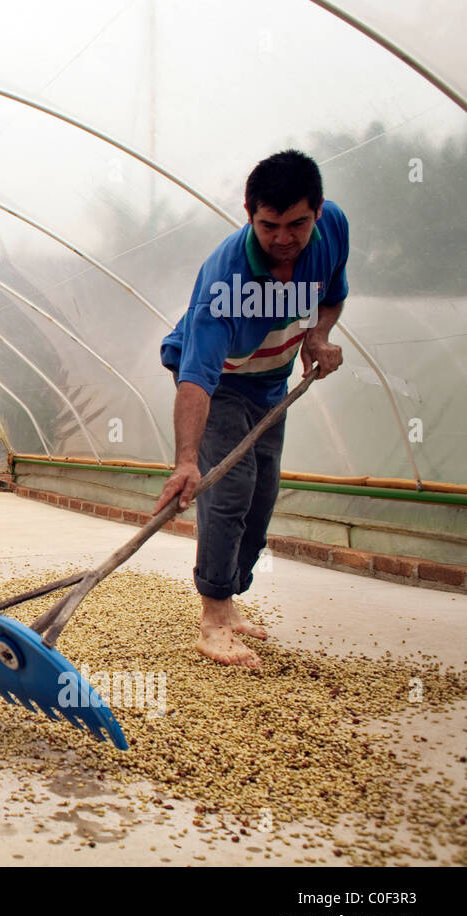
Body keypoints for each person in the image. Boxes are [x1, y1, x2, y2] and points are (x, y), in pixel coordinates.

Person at [154, 150, 347, 669]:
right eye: (269, 226)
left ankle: (230, 599)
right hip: (219, 384)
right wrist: (187, 461)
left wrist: (319, 335)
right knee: (230, 488)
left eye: (296, 224)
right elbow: (197, 377)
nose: (284, 238)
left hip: (269, 381)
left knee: (263, 494)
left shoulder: (334, 231)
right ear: (248, 213)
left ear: (319, 211)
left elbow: (333, 294)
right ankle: (213, 618)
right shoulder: (225, 281)